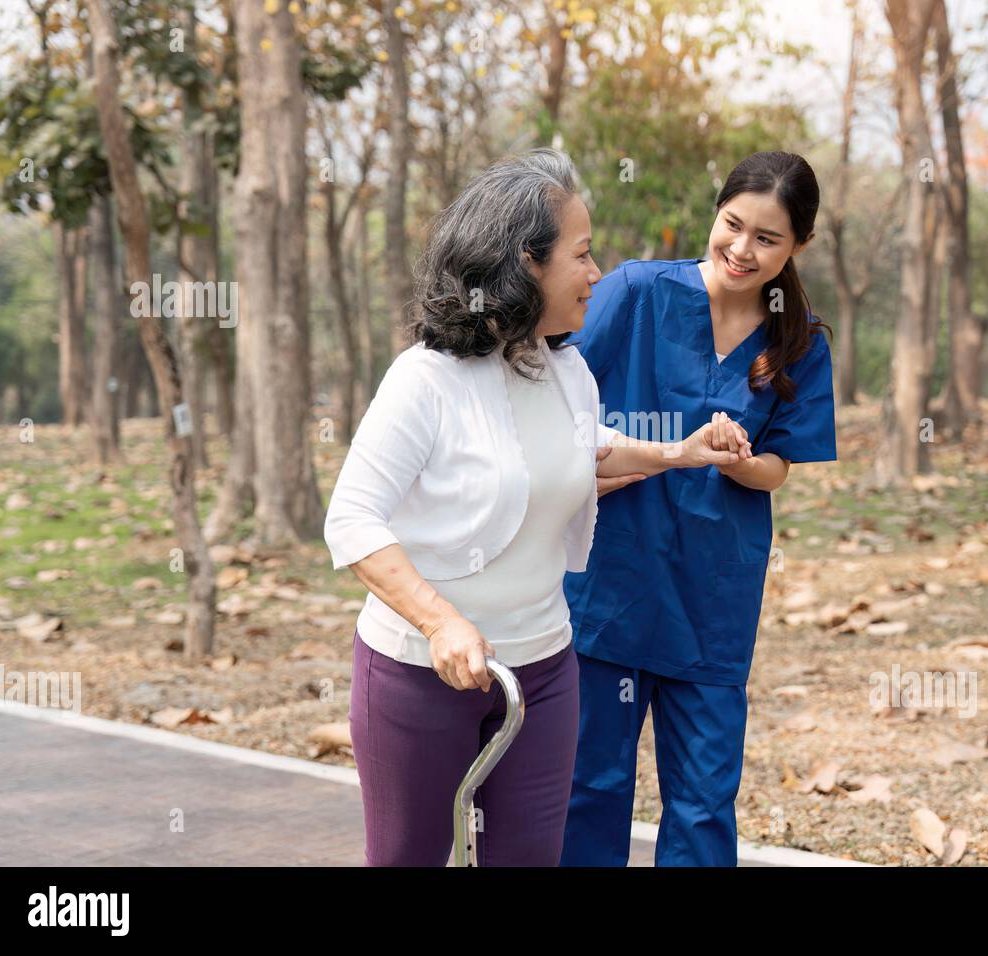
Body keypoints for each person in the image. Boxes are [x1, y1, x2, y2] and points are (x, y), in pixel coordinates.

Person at [322, 148, 752, 866]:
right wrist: (440, 621)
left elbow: (584, 451)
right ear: (527, 263)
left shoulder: (564, 368)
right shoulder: (424, 381)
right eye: (581, 256)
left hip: (544, 670)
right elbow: (352, 518)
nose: (595, 275)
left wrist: (680, 452)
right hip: (418, 677)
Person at [559, 151, 839, 867]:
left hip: (712, 603)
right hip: (610, 589)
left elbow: (779, 467)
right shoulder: (635, 293)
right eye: (733, 225)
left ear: (799, 246)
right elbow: (553, 395)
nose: (743, 250)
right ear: (715, 215)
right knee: (589, 790)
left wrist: (742, 460)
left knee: (703, 804)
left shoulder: (799, 340)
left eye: (768, 239)